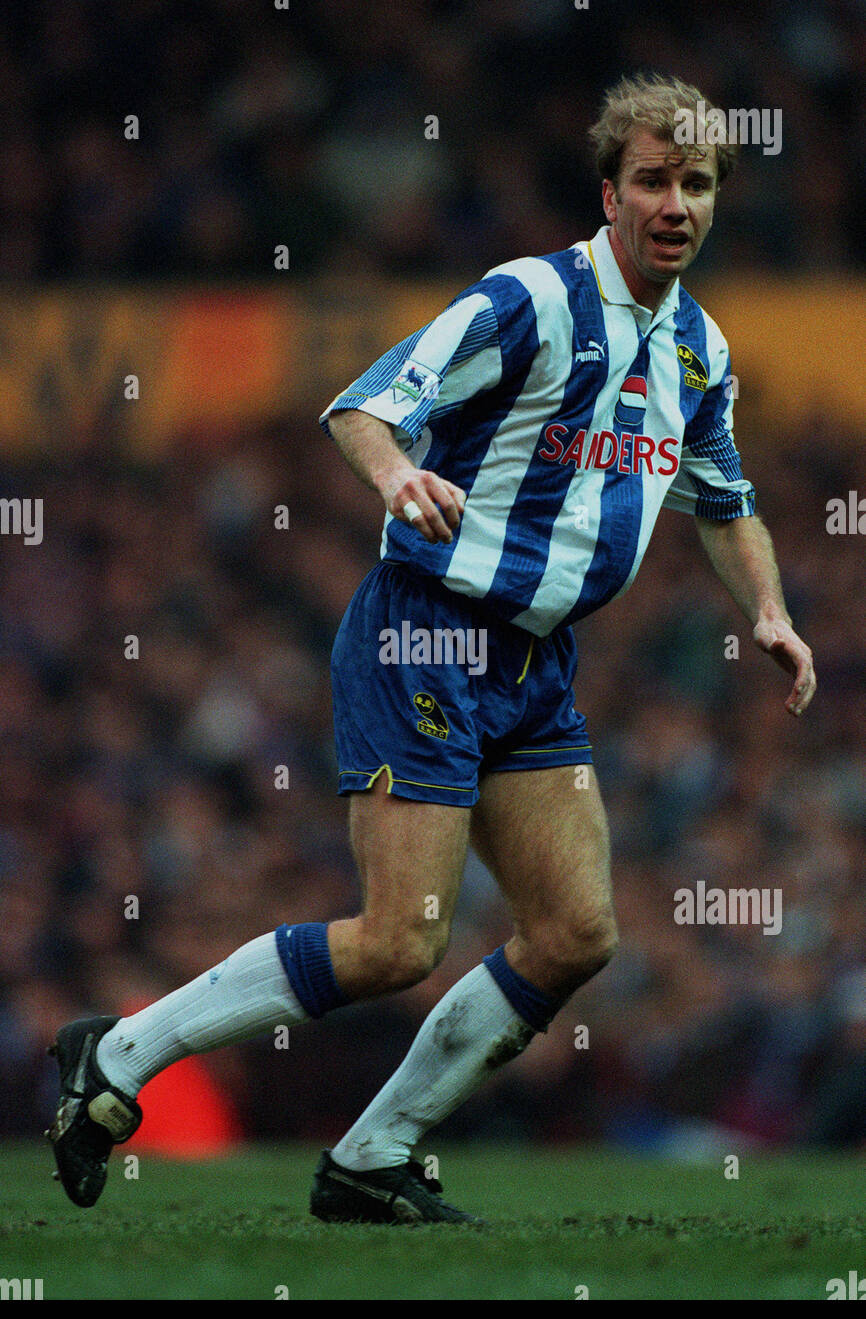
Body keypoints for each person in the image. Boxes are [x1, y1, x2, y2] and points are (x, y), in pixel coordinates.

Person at [47, 73, 816, 1222]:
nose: (675, 202)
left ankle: (373, 1156)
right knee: (400, 940)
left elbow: (723, 500)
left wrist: (766, 608)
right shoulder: (528, 299)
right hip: (427, 630)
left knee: (573, 933)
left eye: (696, 182)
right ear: (608, 193)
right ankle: (120, 1054)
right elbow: (361, 406)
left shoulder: (697, 349)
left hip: (535, 665)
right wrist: (399, 472)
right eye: (652, 178)